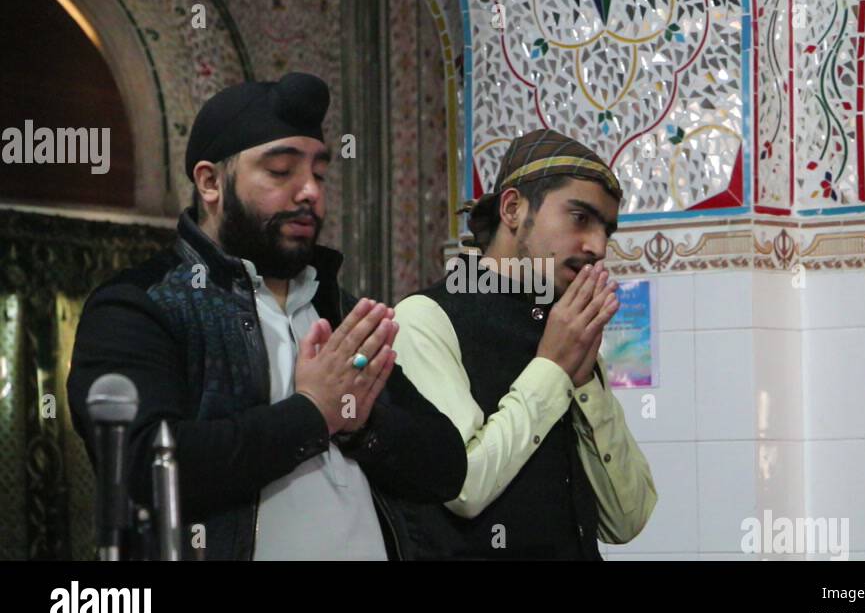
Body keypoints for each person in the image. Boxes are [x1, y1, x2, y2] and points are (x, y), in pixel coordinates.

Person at [67, 72, 466, 560]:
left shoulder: (335, 309)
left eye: (319, 174)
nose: (310, 193)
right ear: (210, 182)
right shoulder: (140, 304)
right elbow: (142, 467)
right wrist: (311, 413)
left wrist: (360, 427)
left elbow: (446, 467)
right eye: (281, 171)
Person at [392, 128, 656, 559]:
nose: (597, 247)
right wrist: (552, 370)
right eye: (580, 218)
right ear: (513, 208)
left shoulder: (562, 328)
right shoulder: (425, 320)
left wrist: (585, 378)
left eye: (607, 230)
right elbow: (463, 486)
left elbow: (627, 519)